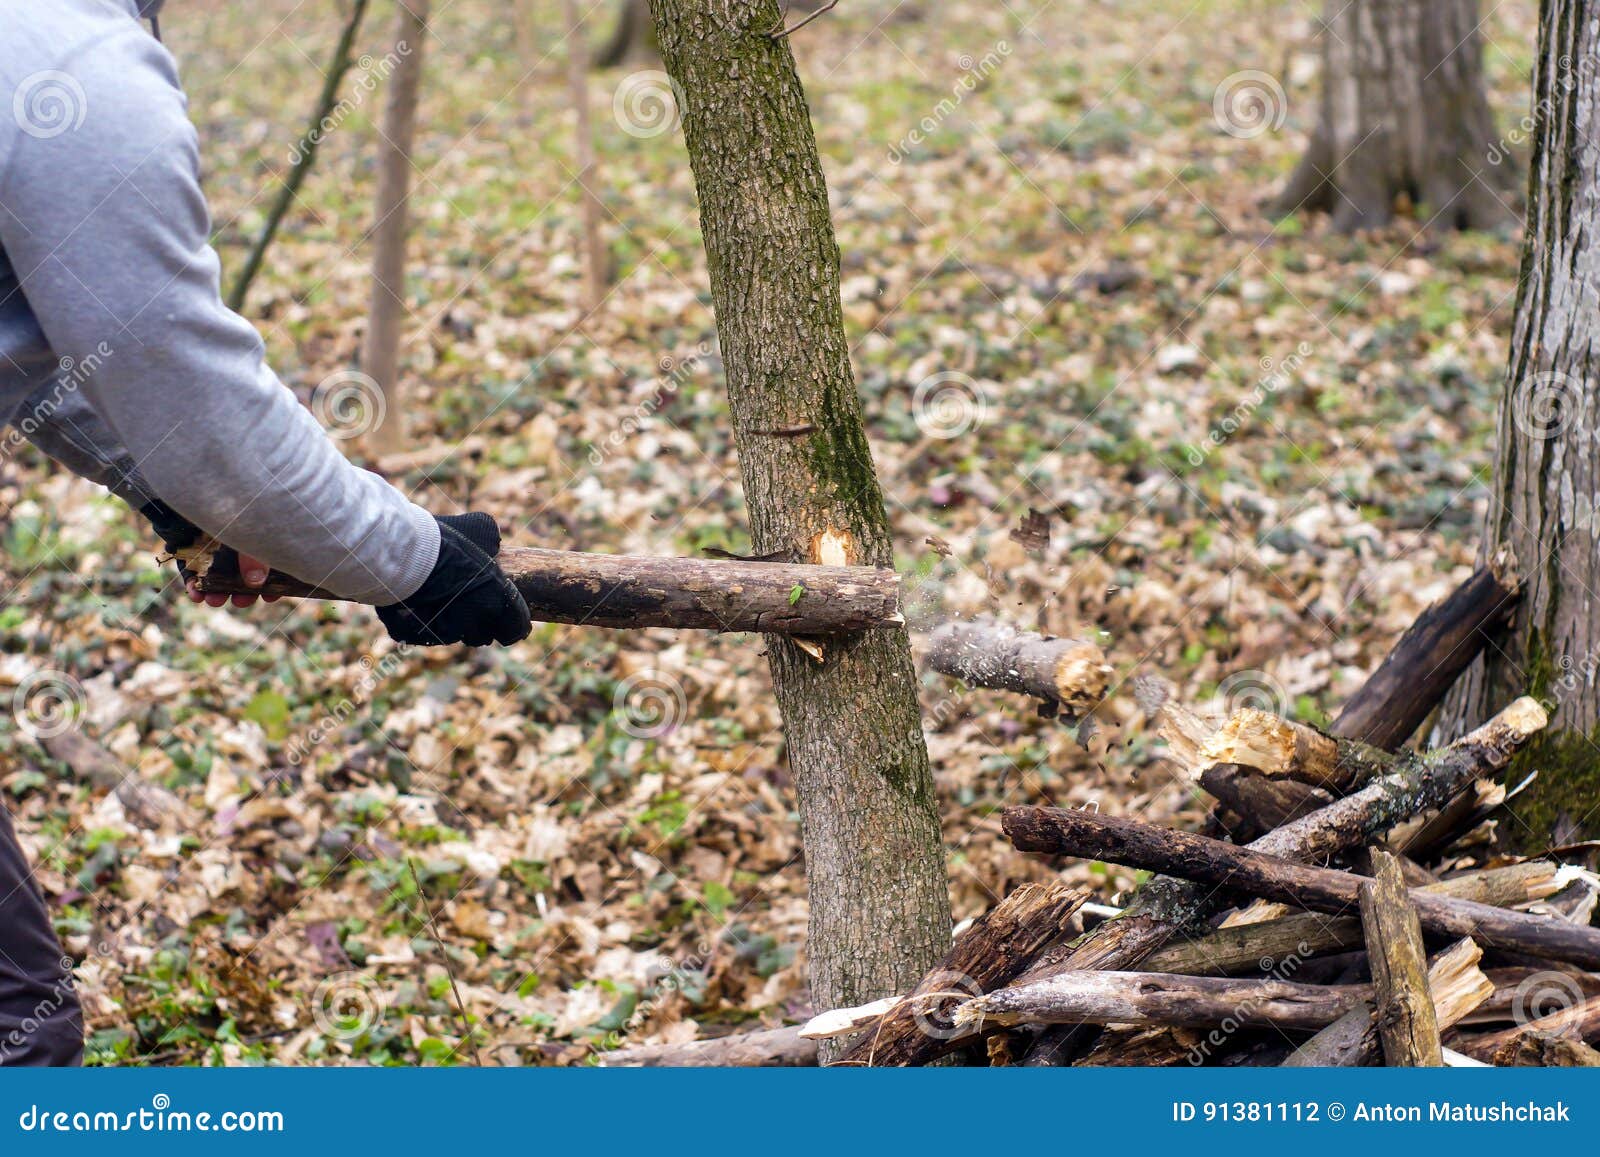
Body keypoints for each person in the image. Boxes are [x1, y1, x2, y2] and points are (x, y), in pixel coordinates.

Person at [0, 0, 531, 1064]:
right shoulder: (70, 61)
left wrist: (165, 497)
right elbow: (198, 403)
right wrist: (411, 564)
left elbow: (29, 350)